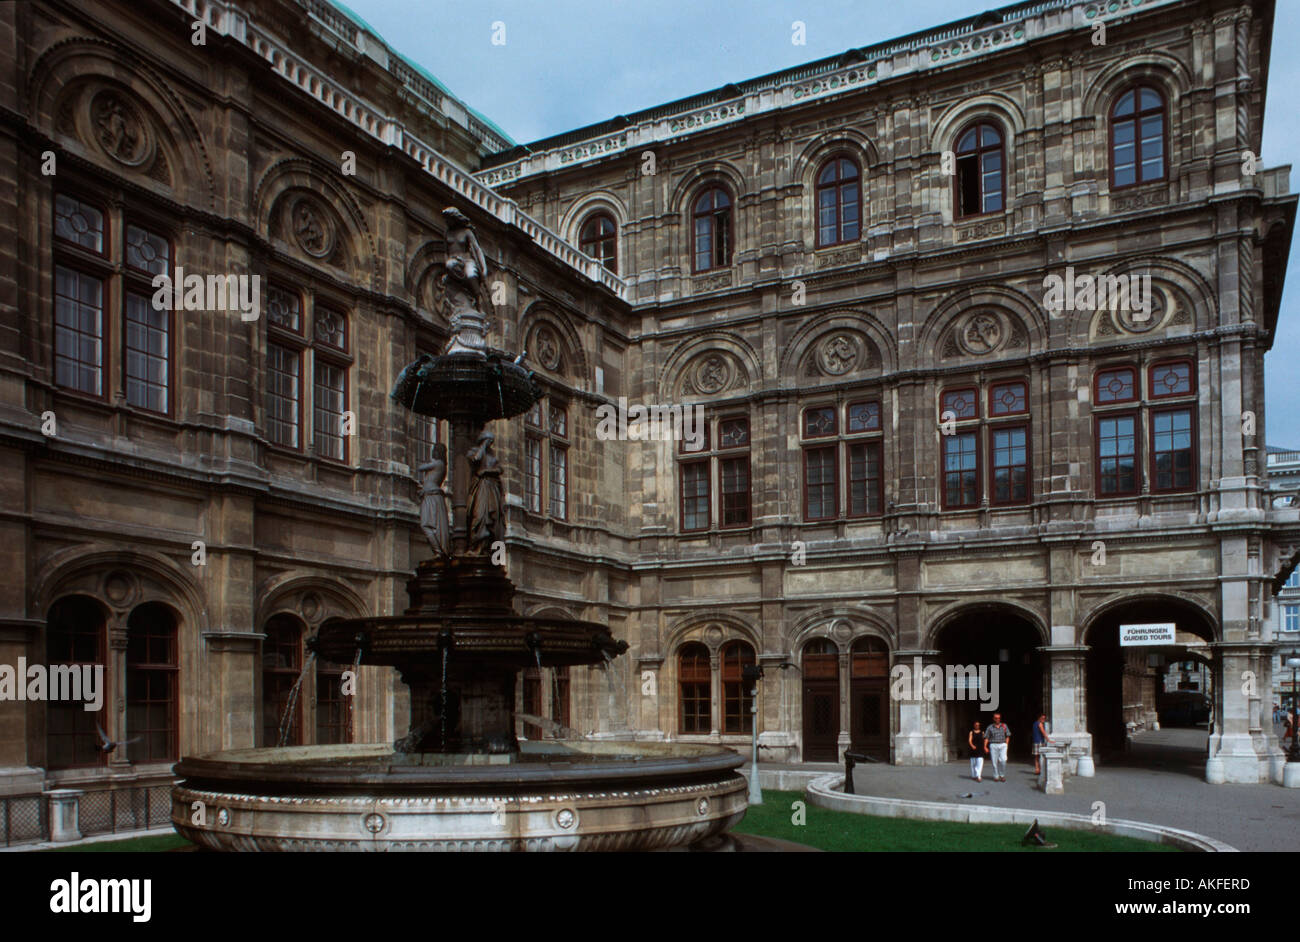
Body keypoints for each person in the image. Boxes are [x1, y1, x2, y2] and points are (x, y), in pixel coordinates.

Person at [984, 712, 1011, 782]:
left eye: (998, 718)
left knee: (1003, 760)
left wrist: (1006, 744)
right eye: (996, 718)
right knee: (994, 761)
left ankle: (1002, 775)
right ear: (993, 719)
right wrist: (985, 746)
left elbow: (1008, 735)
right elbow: (986, 737)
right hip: (993, 745)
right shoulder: (990, 727)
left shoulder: (1004, 726)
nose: (997, 719)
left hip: (1002, 744)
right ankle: (996, 776)